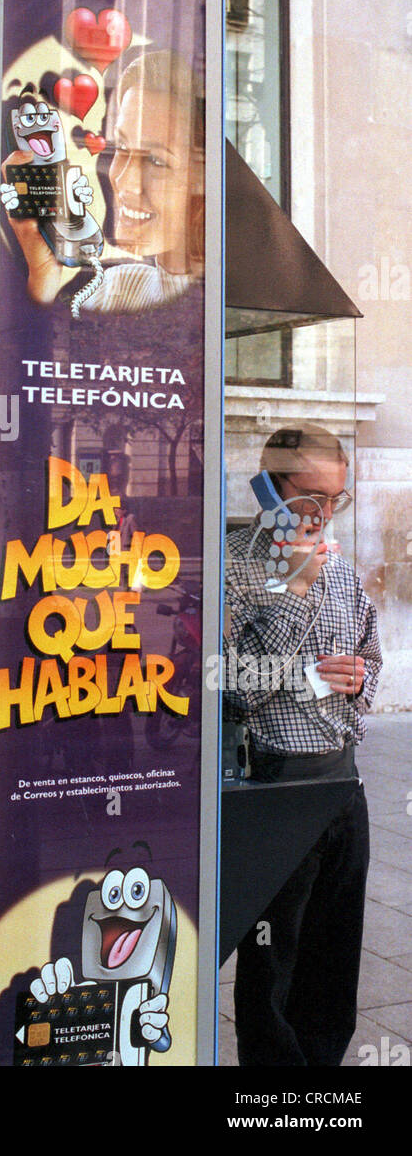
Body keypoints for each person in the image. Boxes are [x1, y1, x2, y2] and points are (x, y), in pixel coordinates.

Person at [223, 425, 381, 1066]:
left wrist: (360, 676)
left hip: (342, 783)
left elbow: (369, 647)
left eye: (335, 499)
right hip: (273, 782)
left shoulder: (340, 566)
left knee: (334, 958)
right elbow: (228, 690)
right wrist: (291, 590)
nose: (320, 513)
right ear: (268, 486)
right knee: (272, 964)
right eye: (308, 496)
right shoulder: (233, 564)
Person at [3, 50, 204, 314]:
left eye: (156, 161)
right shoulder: (112, 288)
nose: (124, 180)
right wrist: (43, 275)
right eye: (121, 145)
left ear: (202, 180)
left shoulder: (218, 306)